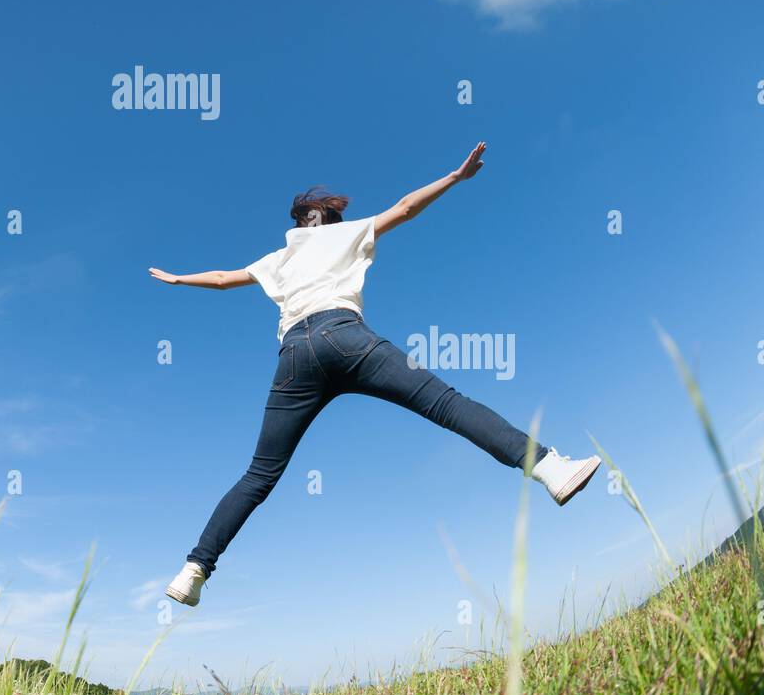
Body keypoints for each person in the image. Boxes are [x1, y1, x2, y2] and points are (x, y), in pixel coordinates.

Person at [149, 143, 600, 607]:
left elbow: (224, 278)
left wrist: (181, 279)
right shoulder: (346, 235)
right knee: (447, 404)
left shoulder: (275, 259)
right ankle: (548, 468)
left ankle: (194, 569)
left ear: (298, 223)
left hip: (295, 357)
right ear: (329, 218)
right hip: (347, 337)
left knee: (260, 474)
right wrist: (453, 177)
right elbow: (405, 208)